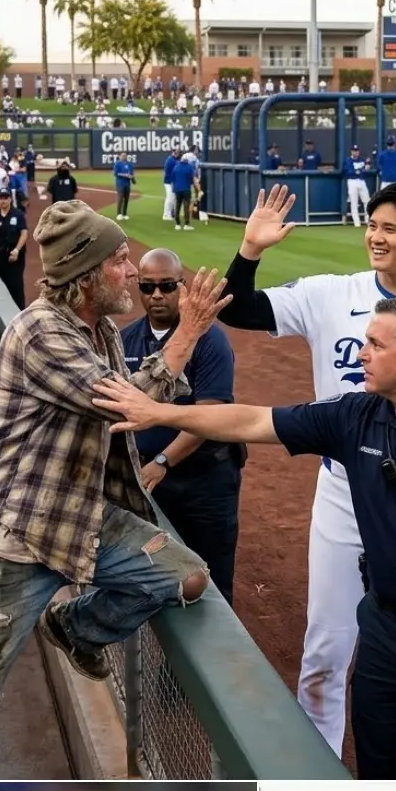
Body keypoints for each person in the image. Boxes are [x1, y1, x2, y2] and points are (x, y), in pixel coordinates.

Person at [98, 295, 396, 778]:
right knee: (380, 774)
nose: (360, 353)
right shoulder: (355, 416)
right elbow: (251, 420)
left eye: (375, 344)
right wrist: (161, 414)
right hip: (385, 633)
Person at [0, 204, 222, 778]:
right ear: (86, 275)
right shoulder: (40, 328)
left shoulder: (102, 330)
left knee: (185, 575)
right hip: (11, 537)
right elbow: (123, 406)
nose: (133, 272)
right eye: (120, 262)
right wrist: (187, 334)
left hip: (76, 516)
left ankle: (74, 626)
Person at [215, 182, 396, 771]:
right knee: (325, 646)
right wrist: (249, 250)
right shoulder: (332, 295)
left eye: (390, 228)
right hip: (345, 495)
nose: (375, 236)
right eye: (372, 224)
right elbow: (240, 308)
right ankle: (315, 769)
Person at [121, 247, 241, 600]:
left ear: (182, 287)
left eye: (167, 286)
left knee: (213, 579)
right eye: (147, 286)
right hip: (151, 482)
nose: (156, 294)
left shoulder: (210, 338)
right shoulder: (125, 339)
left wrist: (162, 462)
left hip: (205, 481)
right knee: (157, 573)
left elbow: (210, 413)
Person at [0, 186, 29, 308]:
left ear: (10, 199)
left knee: (16, 285)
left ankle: (19, 310)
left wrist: (17, 250)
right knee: (2, 285)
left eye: (6, 197)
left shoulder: (18, 214)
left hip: (15, 256)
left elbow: (24, 233)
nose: (3, 200)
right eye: (1, 198)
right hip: (0, 256)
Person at [341, 145, 370, 227]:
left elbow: (366, 168)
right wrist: (358, 170)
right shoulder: (348, 160)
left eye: (357, 150)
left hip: (361, 181)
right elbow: (348, 171)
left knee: (367, 201)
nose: (355, 152)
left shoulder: (362, 159)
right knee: (354, 202)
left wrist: (366, 166)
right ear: (351, 151)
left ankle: (367, 220)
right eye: (354, 151)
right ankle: (357, 223)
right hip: (352, 181)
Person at [112, 154, 135, 220]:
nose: (124, 157)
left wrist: (133, 179)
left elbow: (131, 173)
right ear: (120, 157)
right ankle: (119, 214)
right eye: (122, 155)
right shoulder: (117, 164)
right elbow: (116, 173)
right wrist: (125, 175)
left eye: (125, 156)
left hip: (127, 184)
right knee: (120, 198)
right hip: (120, 184)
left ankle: (125, 214)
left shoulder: (130, 164)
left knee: (127, 199)